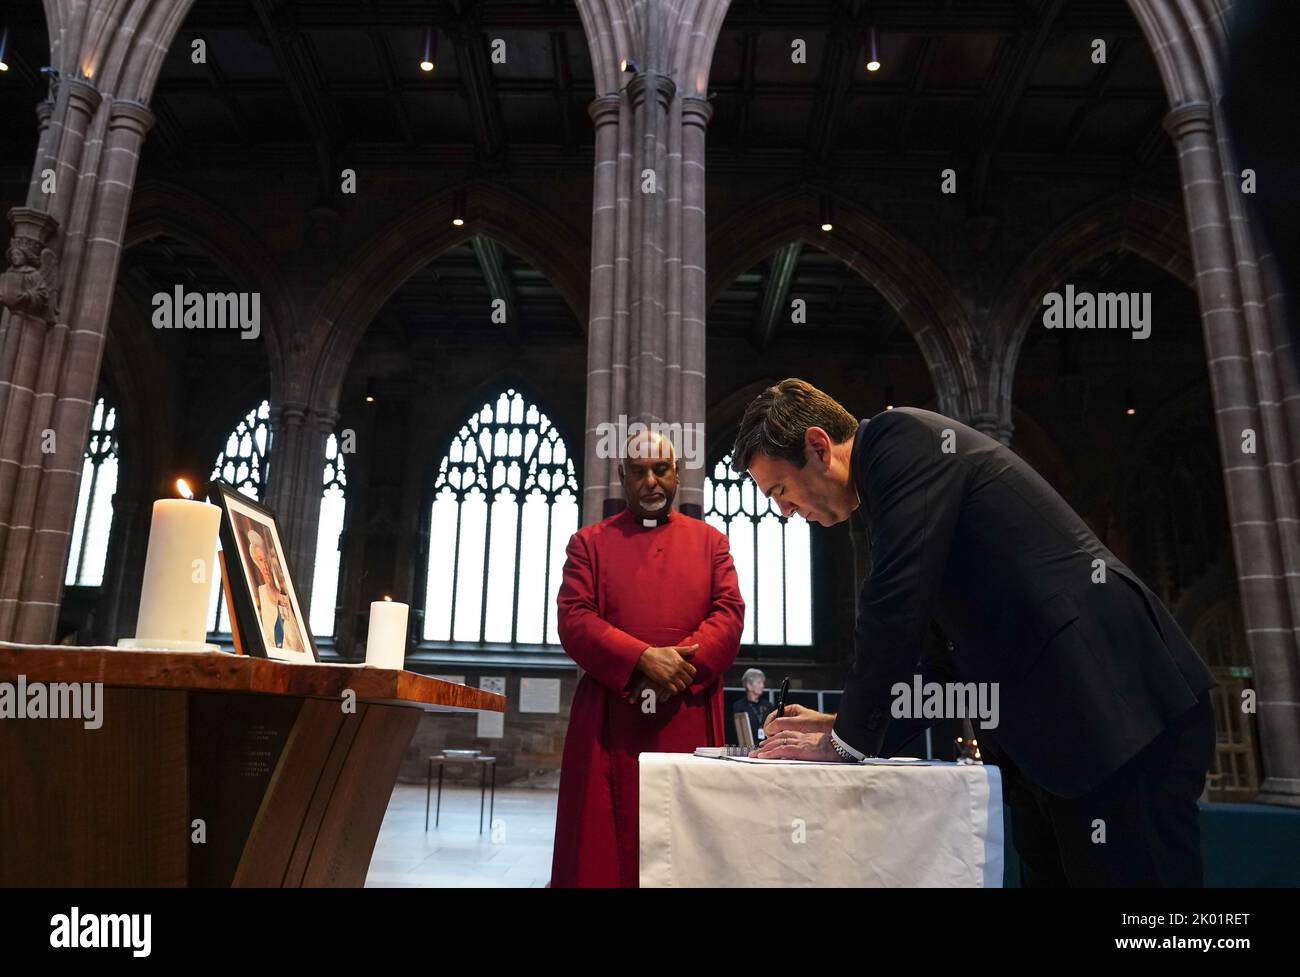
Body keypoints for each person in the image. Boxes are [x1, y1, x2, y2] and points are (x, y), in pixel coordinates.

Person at [736, 378, 1216, 887]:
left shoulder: (901, 441)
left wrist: (847, 742)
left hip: (1118, 706)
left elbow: (893, 606)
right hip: (1057, 736)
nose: (783, 512)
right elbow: (941, 665)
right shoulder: (889, 490)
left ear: (817, 445)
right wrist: (840, 722)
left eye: (780, 491)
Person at [550, 430, 745, 887]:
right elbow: (574, 618)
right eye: (639, 472)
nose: (651, 481)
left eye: (661, 469)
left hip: (689, 711)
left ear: (677, 472)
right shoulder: (588, 544)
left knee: (688, 845)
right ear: (622, 477)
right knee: (602, 851)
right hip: (611, 716)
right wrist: (641, 658)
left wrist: (676, 669)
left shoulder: (711, 543)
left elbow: (729, 615)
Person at [731, 668, 772, 744]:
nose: (763, 686)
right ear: (749, 685)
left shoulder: (768, 705)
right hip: (746, 747)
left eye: (763, 683)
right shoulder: (739, 706)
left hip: (765, 746)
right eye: (759, 682)